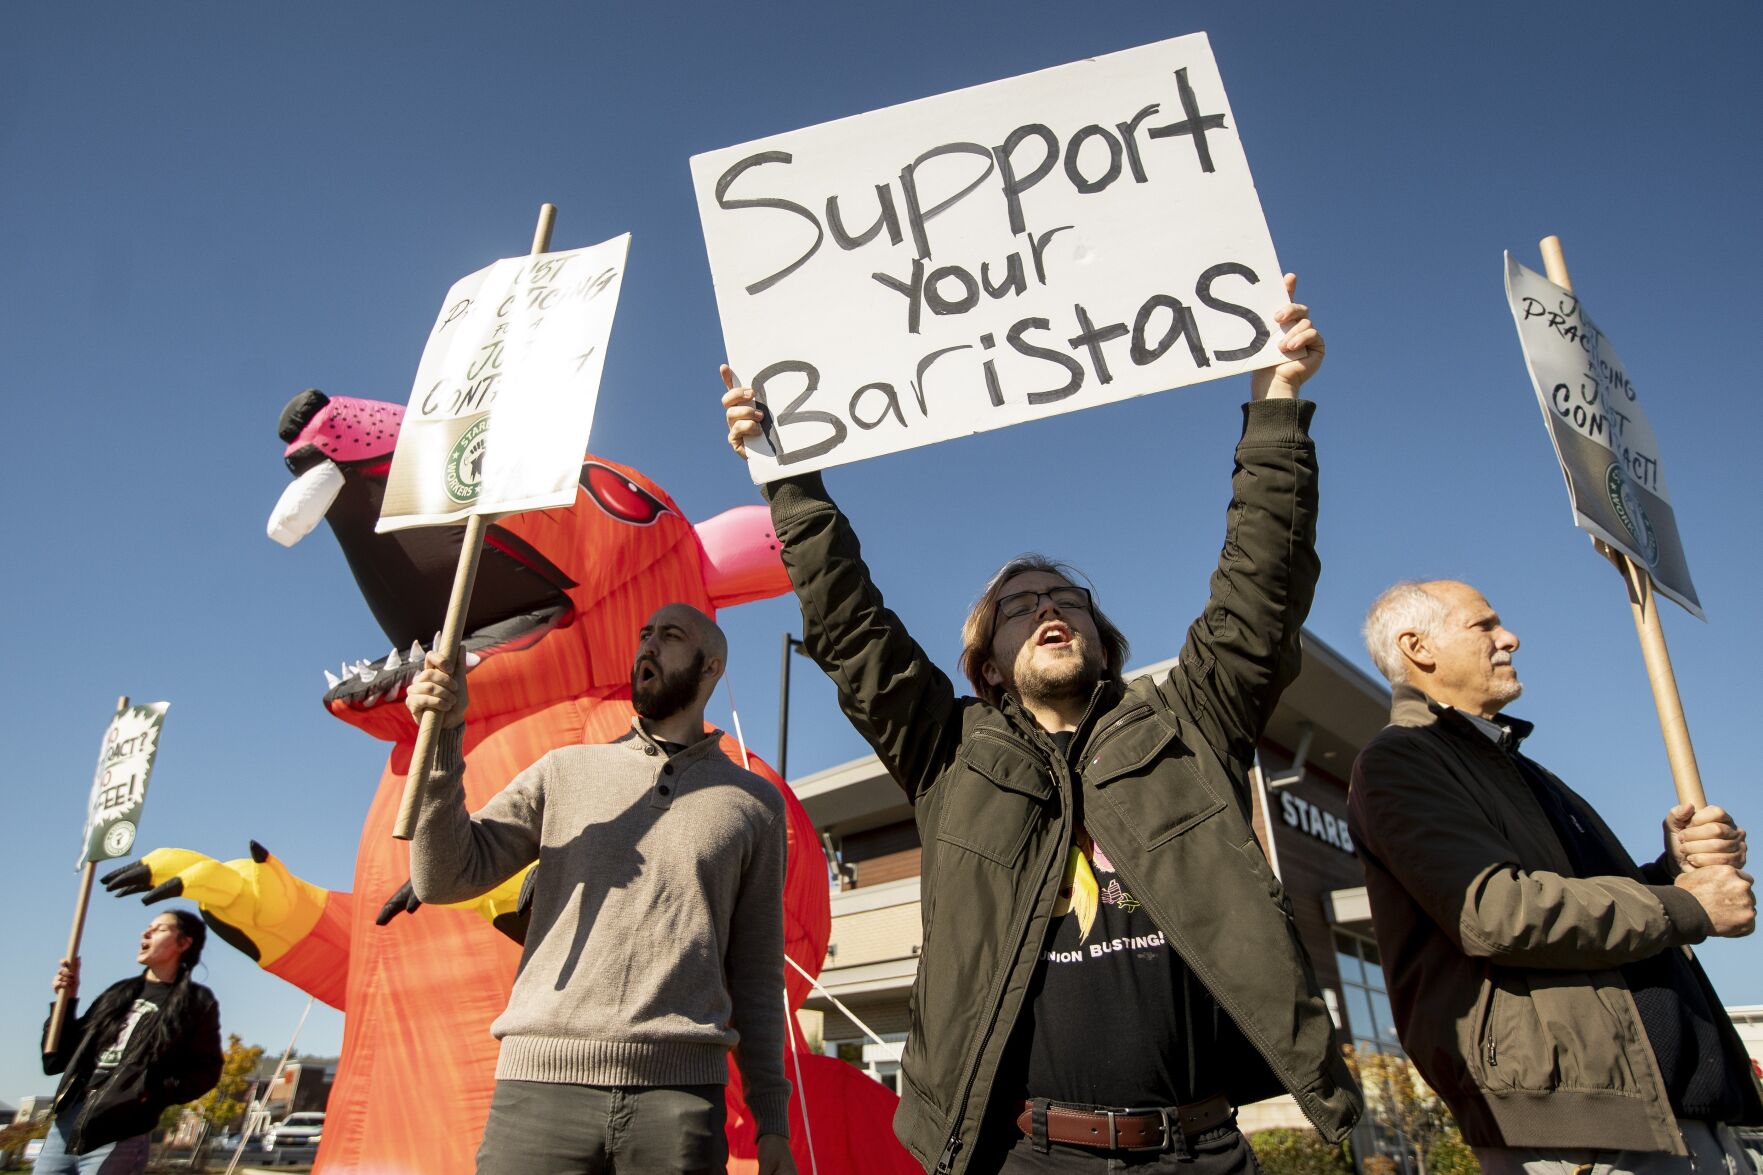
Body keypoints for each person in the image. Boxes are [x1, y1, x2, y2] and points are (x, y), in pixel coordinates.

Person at [721, 275, 1359, 1174]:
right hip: (1031, 1157)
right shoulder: (947, 755)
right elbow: (851, 623)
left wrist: (1276, 402)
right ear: (984, 665)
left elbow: (1262, 585)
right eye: (1019, 607)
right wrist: (786, 477)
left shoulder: (1187, 726)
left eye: (1067, 600)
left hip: (1207, 1150)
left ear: (1103, 638)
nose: (1048, 609)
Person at [1348, 579, 1762, 1175]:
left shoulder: (1521, 769)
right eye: (1484, 625)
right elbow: (1497, 911)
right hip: (1590, 1134)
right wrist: (1689, 906)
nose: (1509, 638)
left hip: (1683, 1115)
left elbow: (1594, 904)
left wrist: (1675, 869)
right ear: (1419, 648)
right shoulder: (1401, 761)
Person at [406, 603, 795, 1175]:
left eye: (670, 635)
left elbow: (759, 976)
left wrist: (773, 1125)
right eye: (644, 633)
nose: (648, 645)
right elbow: (441, 877)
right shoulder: (564, 770)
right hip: (538, 1093)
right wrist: (443, 736)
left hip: (681, 1108)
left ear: (712, 668)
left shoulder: (755, 805)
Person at [39, 908, 222, 1175]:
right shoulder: (118, 993)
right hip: (67, 1121)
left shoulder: (196, 1002)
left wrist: (145, 1094)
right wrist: (65, 1001)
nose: (145, 933)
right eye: (148, 927)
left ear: (183, 943)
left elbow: (206, 1072)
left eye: (159, 929)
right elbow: (56, 1060)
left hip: (121, 1129)